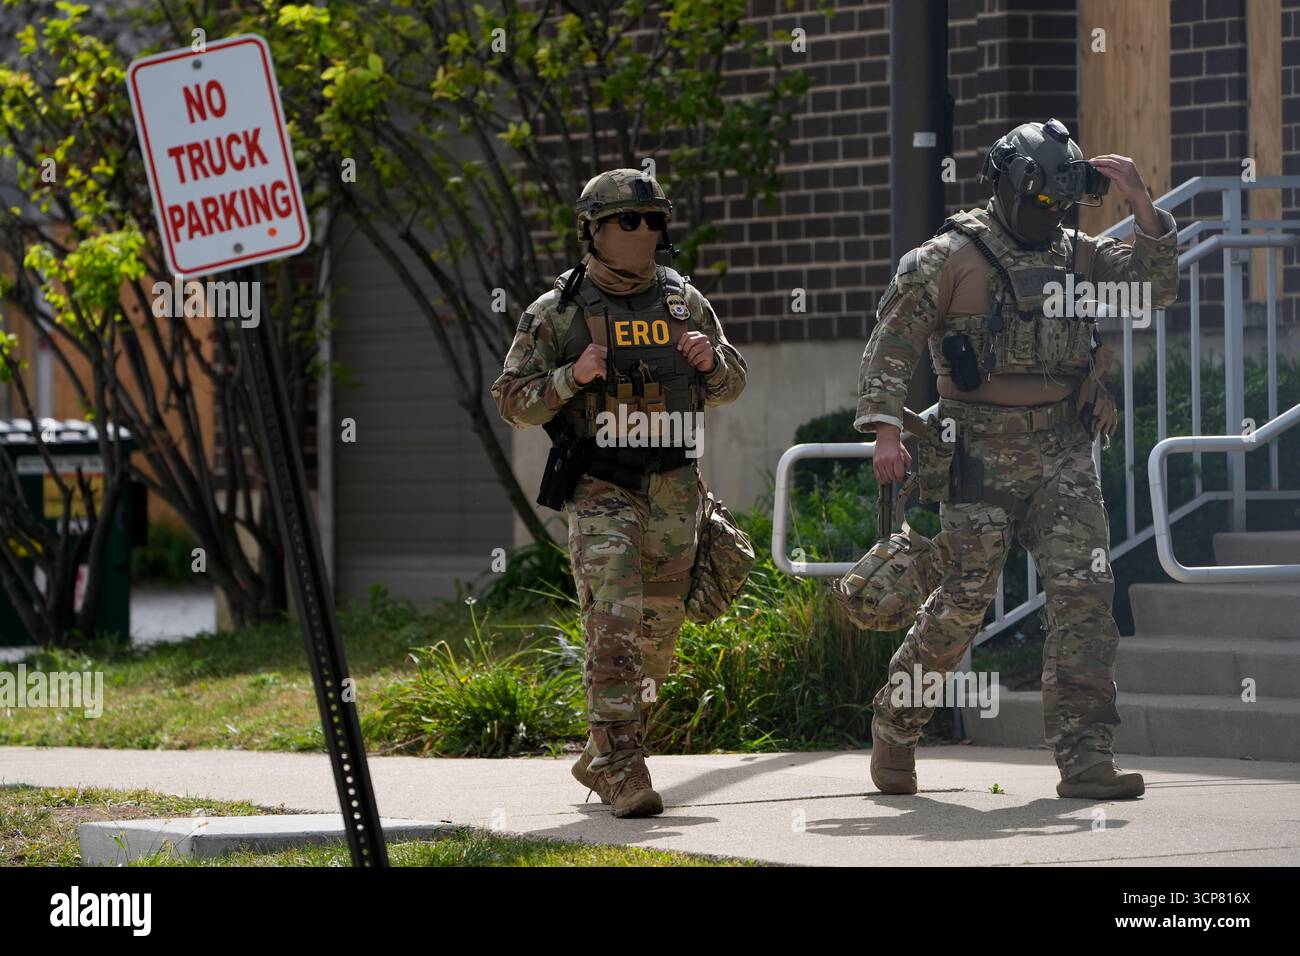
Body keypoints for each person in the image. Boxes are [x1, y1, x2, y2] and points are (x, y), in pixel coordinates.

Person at [855, 119, 1180, 800]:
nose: (1051, 214)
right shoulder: (948, 258)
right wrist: (886, 431)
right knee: (961, 606)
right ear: (1006, 187)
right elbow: (892, 345)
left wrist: (1143, 202)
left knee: (1085, 596)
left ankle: (1085, 757)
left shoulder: (1080, 255)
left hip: (1063, 450)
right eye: (1040, 201)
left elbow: (1152, 290)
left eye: (1060, 202)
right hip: (977, 450)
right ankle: (896, 723)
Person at [491, 169, 747, 817]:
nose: (644, 232)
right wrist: (571, 378)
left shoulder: (684, 302)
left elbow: (730, 383)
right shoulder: (557, 313)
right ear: (595, 230)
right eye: (630, 221)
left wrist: (711, 364)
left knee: (658, 638)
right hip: (603, 484)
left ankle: (602, 747)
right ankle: (623, 765)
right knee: (613, 623)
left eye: (654, 221)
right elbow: (512, 402)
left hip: (675, 486)